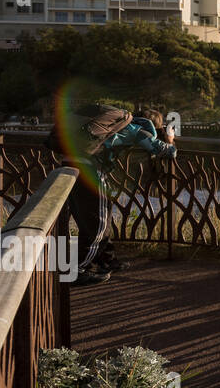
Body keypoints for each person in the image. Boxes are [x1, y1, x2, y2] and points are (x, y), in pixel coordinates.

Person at [48, 103, 177, 286]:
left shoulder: (118, 123)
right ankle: (78, 269)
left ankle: (106, 260)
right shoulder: (136, 129)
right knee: (98, 224)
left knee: (100, 217)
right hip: (90, 170)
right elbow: (167, 151)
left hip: (69, 165)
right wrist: (170, 138)